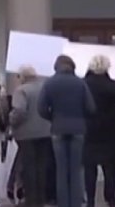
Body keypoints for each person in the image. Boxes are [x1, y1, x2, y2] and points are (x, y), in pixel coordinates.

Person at [38, 54, 95, 207]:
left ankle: (63, 203)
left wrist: (53, 117)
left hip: (58, 128)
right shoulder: (80, 83)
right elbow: (91, 107)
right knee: (75, 170)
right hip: (78, 129)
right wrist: (81, 117)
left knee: (61, 171)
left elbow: (41, 108)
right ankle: (75, 203)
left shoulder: (49, 83)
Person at [83, 55, 115, 207]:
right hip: (109, 130)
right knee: (109, 168)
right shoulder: (112, 86)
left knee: (89, 168)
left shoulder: (84, 85)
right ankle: (111, 199)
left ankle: (90, 200)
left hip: (88, 130)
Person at [9, 66, 51, 207]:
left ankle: (31, 200)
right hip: (45, 132)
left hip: (26, 134)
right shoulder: (44, 89)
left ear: (23, 77)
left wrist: (11, 120)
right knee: (41, 167)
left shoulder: (21, 91)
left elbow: (20, 111)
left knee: (29, 167)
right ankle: (40, 199)